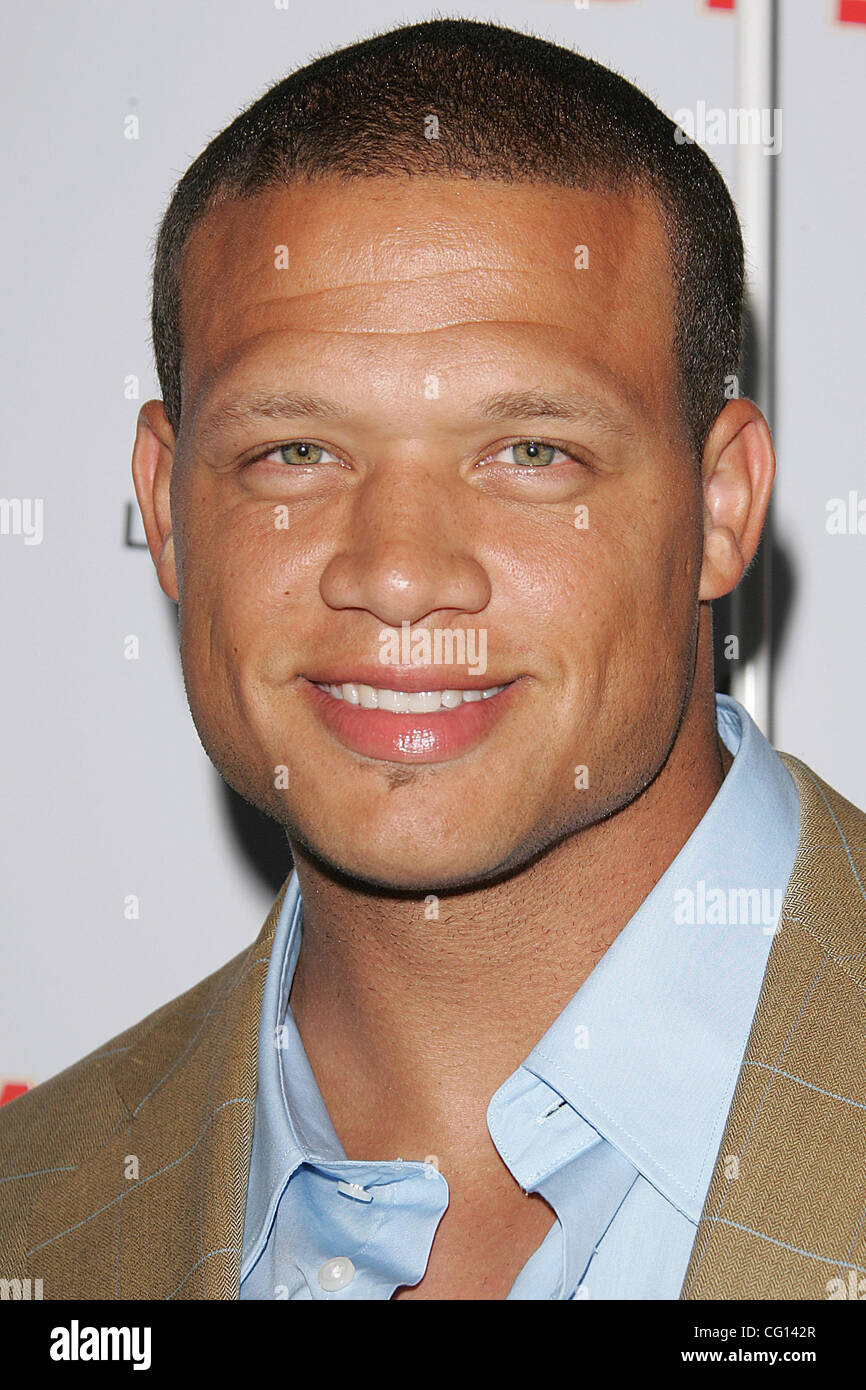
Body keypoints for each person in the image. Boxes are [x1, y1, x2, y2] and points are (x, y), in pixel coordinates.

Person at [1, 18, 863, 1302]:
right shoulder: (34, 1208)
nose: (396, 573)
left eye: (529, 453)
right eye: (294, 450)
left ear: (721, 505)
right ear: (168, 508)